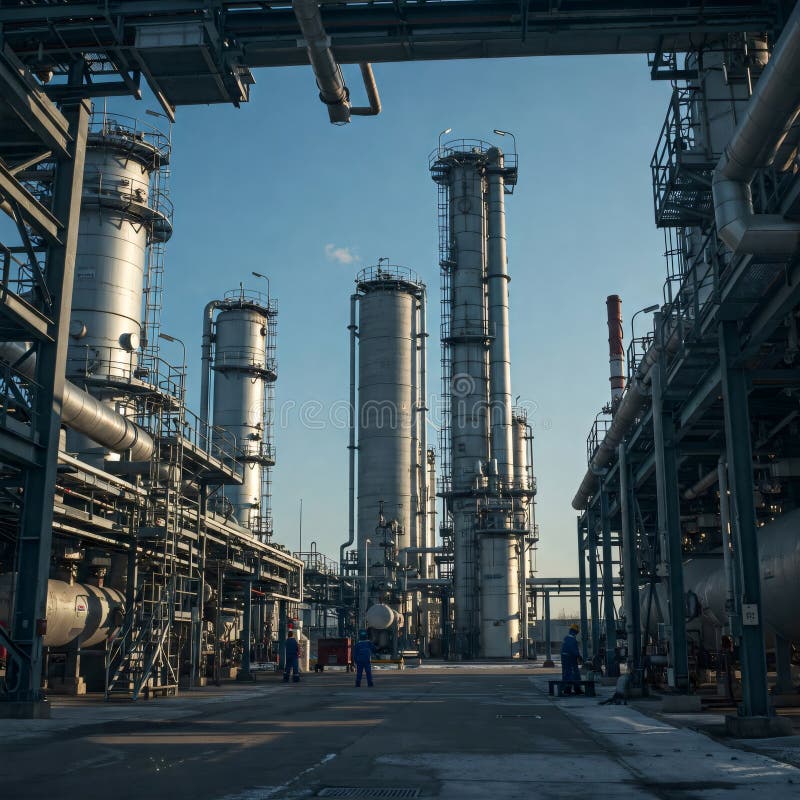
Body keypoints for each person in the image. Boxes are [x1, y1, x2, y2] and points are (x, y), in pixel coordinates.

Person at [560, 623, 583, 695]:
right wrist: (579, 656)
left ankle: (567, 689)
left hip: (564, 658)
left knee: (566, 673)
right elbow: (574, 650)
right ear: (576, 632)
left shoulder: (565, 638)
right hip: (571, 659)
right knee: (574, 673)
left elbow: (564, 649)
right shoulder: (572, 640)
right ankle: (577, 689)